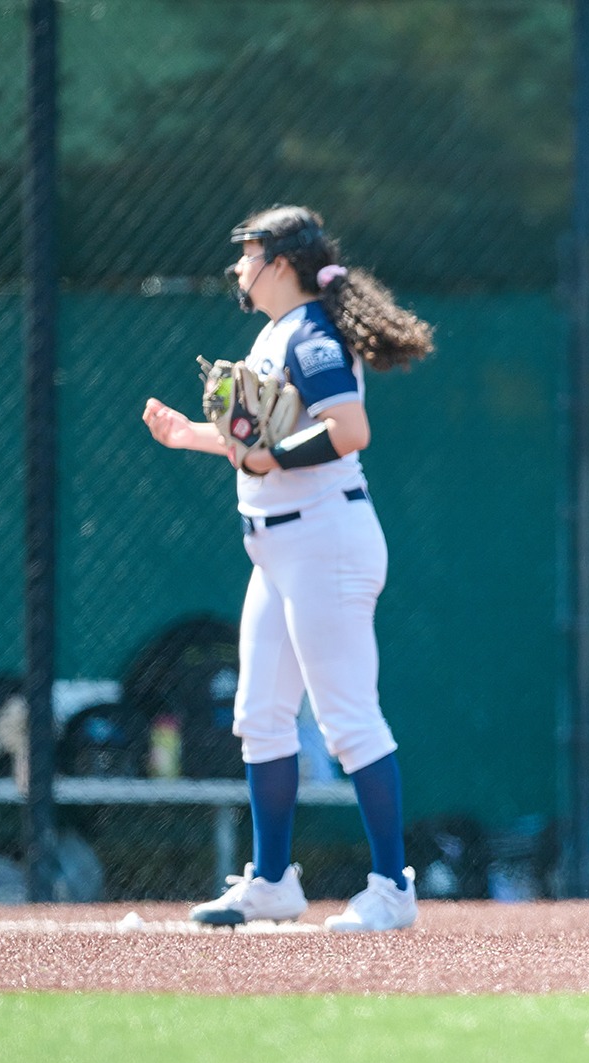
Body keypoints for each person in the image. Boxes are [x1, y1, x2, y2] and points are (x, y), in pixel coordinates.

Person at [141, 205, 434, 931]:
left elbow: (347, 430)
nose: (238, 267)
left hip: (325, 541)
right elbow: (263, 440)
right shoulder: (275, 333)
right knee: (260, 719)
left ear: (280, 262)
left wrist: (269, 455)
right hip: (277, 547)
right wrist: (194, 437)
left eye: (248, 253)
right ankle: (272, 881)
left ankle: (392, 889)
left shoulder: (312, 333)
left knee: (347, 722)